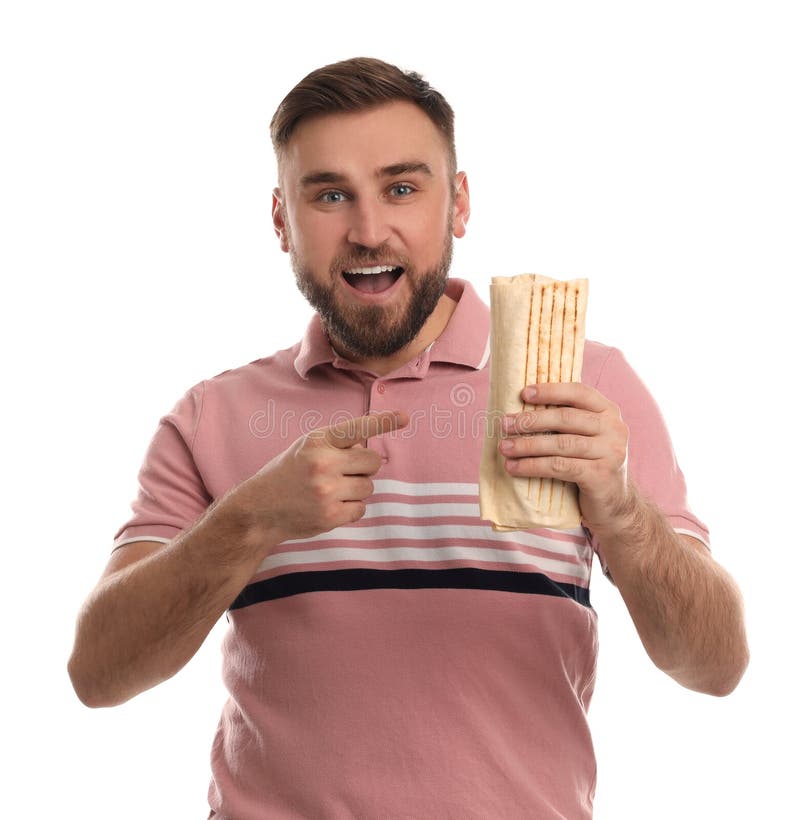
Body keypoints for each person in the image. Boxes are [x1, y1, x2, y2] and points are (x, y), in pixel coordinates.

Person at [68, 57, 749, 819]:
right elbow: (99, 675)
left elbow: (716, 665)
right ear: (281, 220)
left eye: (402, 187)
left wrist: (621, 511)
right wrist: (252, 520)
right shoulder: (212, 417)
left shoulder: (586, 393)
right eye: (329, 195)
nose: (367, 230)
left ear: (457, 203)